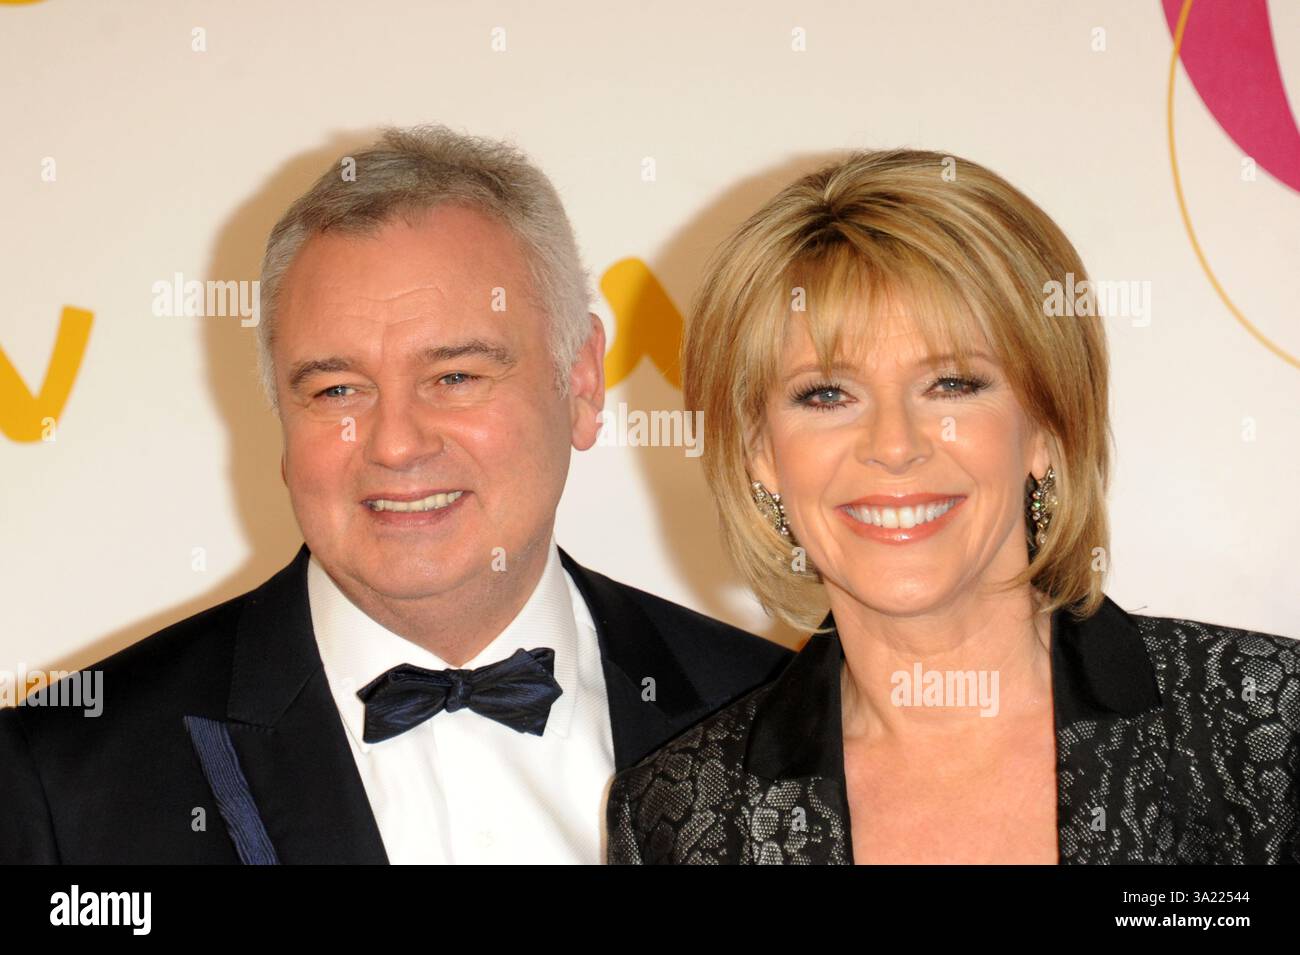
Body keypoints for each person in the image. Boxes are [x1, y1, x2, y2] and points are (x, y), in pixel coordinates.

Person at [0, 125, 791, 864]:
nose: (396, 443)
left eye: (455, 376)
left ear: (580, 381)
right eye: (338, 390)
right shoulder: (63, 779)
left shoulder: (786, 722)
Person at [605, 148, 1300, 864]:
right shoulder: (680, 815)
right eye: (827, 395)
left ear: (1046, 426)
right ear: (760, 453)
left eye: (952, 384)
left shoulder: (1266, 728)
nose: (894, 445)